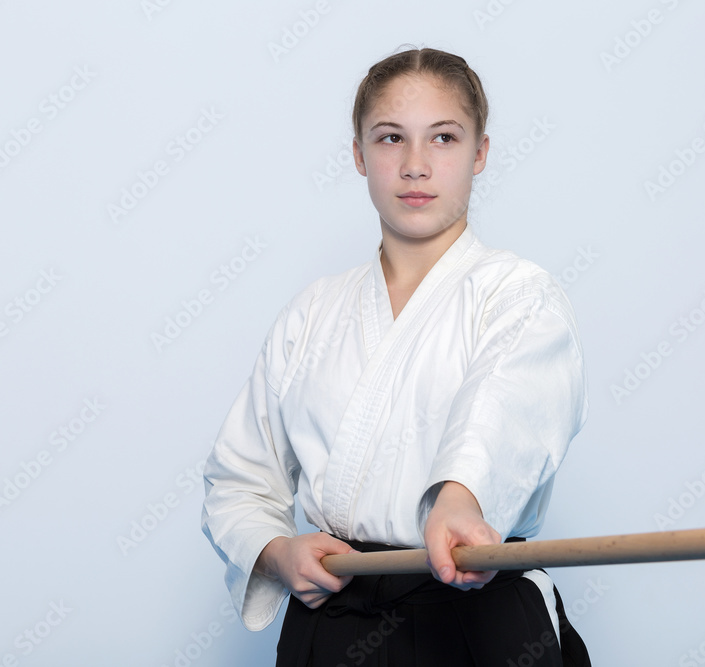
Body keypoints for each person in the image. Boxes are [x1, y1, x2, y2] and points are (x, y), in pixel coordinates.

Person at [201, 45, 591, 666]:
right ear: (359, 155)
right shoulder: (312, 313)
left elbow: (507, 409)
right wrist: (277, 552)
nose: (415, 165)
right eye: (390, 139)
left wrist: (461, 500)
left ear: (480, 153)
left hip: (477, 622)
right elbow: (240, 477)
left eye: (443, 138)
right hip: (332, 622)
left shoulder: (518, 295)